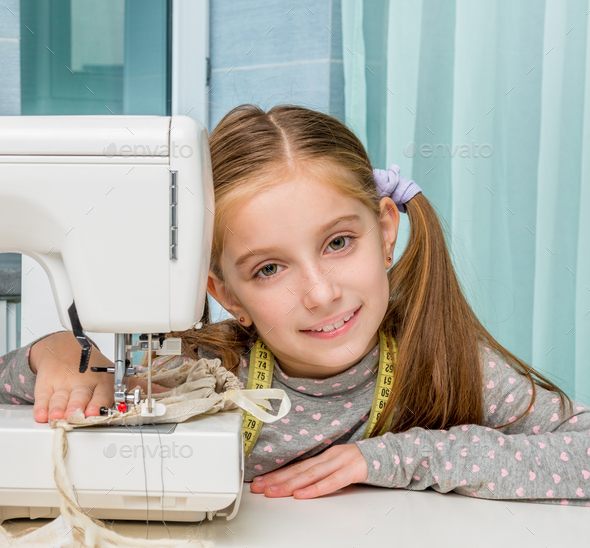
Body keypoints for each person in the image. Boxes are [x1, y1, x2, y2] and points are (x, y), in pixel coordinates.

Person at [1, 104, 589, 507]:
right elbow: (23, 385)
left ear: (386, 231)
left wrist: (402, 456)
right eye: (269, 268)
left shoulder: (444, 361)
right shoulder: (206, 372)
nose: (320, 293)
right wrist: (55, 356)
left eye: (338, 243)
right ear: (227, 295)